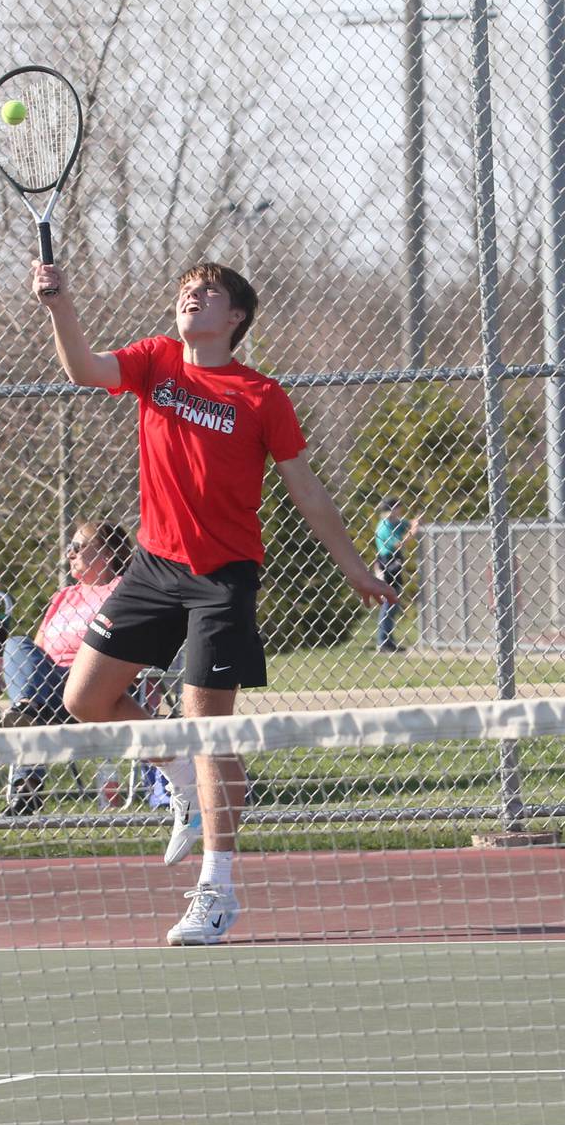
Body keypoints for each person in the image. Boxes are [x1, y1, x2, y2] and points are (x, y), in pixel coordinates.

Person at [31, 257, 395, 947]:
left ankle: (216, 889)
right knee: (84, 698)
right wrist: (59, 305)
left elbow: (307, 491)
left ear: (235, 318)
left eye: (207, 293)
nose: (190, 298)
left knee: (209, 730)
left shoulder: (261, 395)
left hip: (223, 579)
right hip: (153, 568)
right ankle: (179, 781)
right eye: (184, 291)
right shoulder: (155, 362)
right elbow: (83, 368)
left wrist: (354, 567)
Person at [0, 520, 133, 816]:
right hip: (47, 684)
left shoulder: (121, 590)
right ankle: (31, 711)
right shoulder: (64, 596)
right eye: (69, 548)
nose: (70, 554)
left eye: (78, 547)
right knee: (15, 643)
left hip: (91, 681)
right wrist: (0, 664)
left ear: (108, 554)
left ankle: (27, 781)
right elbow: (36, 648)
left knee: (29, 708)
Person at [372, 497, 419, 652]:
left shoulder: (395, 522)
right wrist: (412, 532)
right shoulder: (385, 526)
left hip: (395, 562)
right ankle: (383, 641)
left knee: (394, 602)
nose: (400, 509)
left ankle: (388, 640)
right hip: (387, 562)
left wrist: (415, 522)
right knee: (389, 602)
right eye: (398, 507)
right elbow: (397, 544)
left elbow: (409, 522)